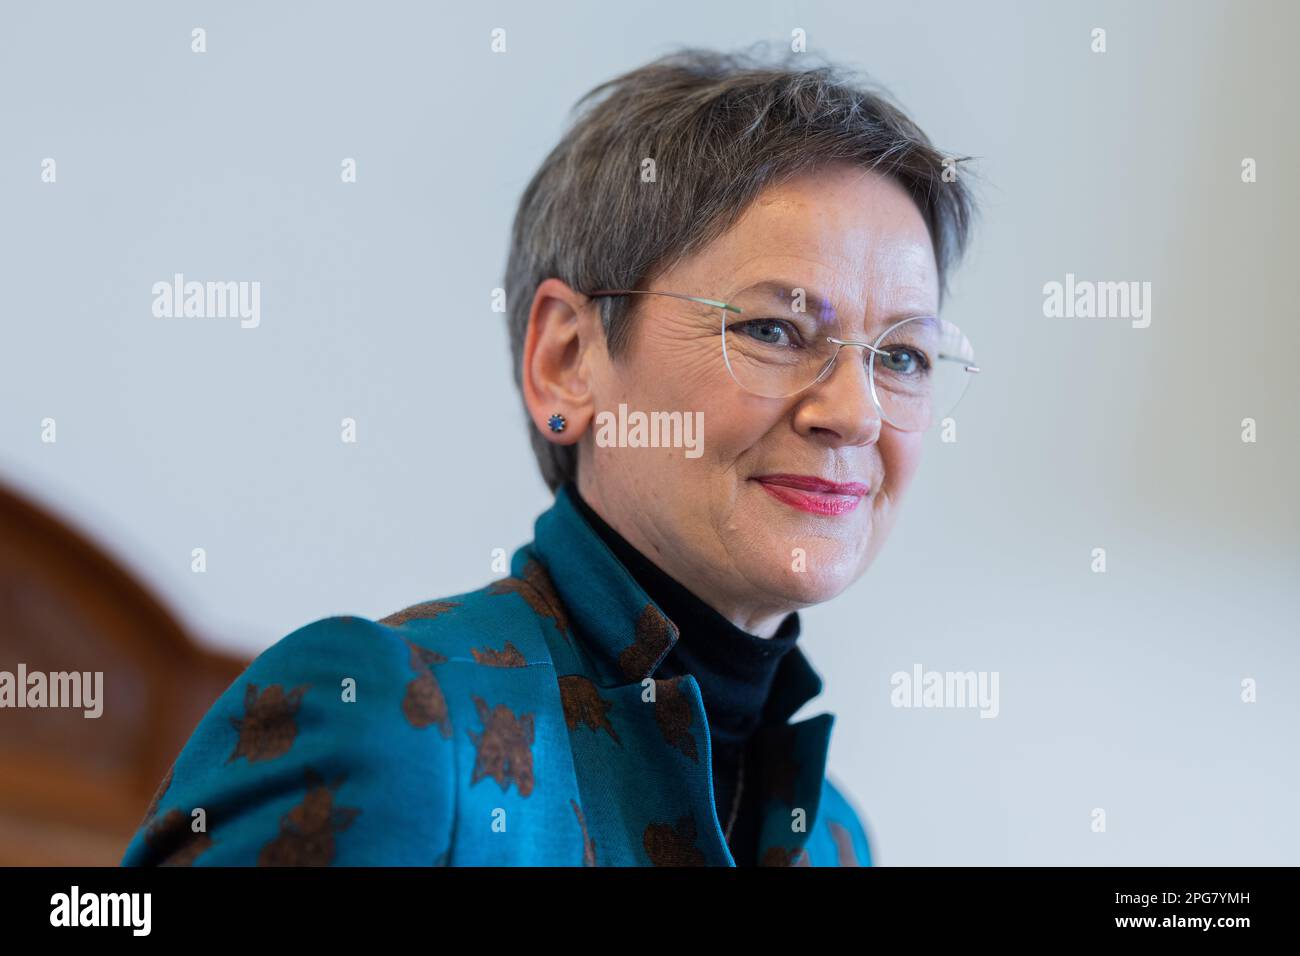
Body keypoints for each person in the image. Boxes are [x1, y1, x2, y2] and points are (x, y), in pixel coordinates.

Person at [120, 45, 978, 867]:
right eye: (773, 330)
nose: (855, 413)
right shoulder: (386, 716)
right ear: (567, 361)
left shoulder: (833, 837)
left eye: (903, 357)